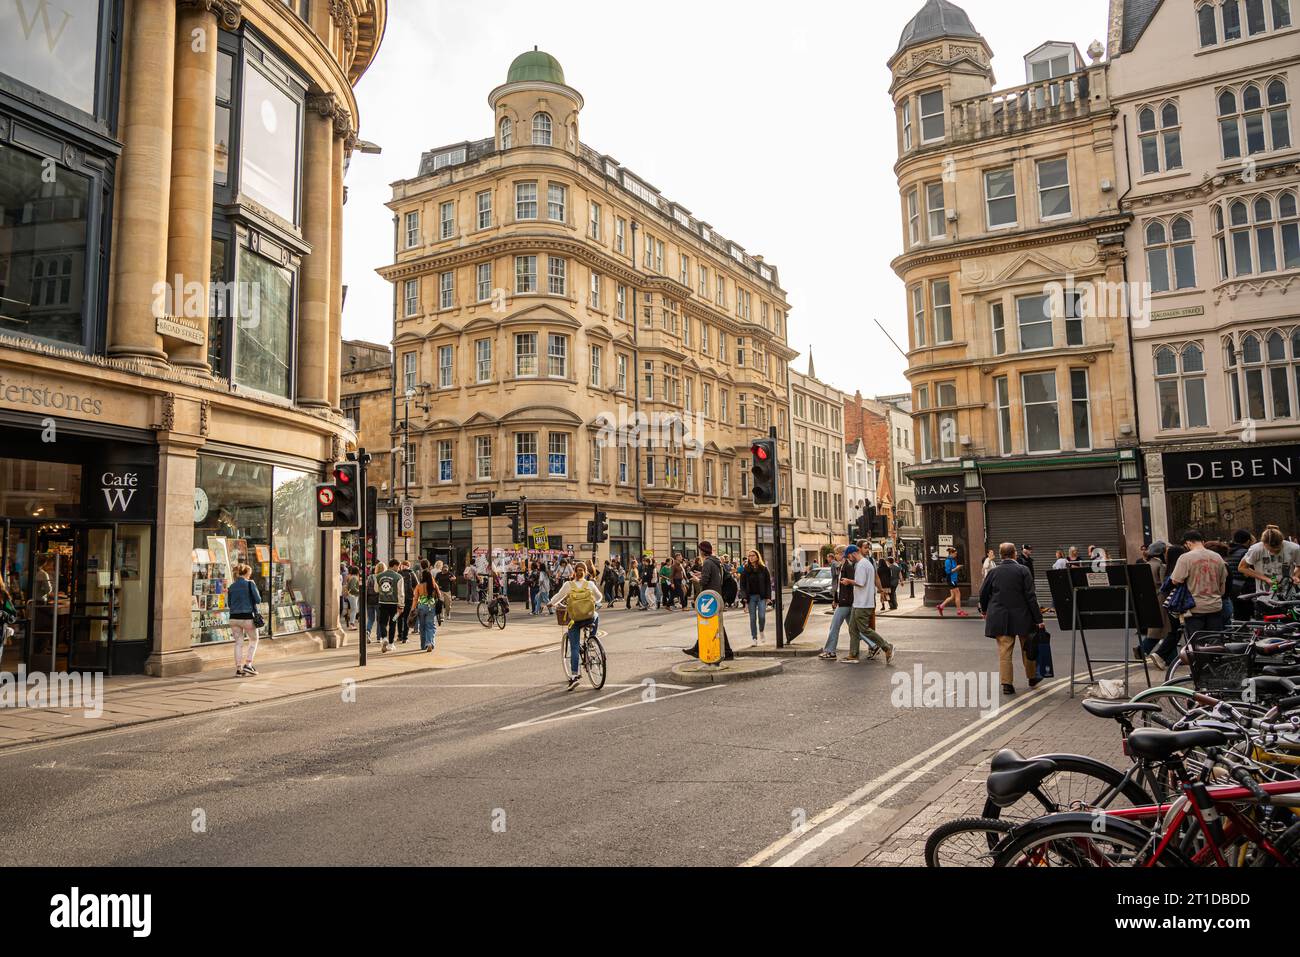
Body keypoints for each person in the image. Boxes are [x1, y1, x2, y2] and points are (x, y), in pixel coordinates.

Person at [978, 543, 1044, 696]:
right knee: (1028, 648)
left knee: (1004, 651)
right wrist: (1038, 618)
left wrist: (985, 610)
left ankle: (1007, 684)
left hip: (1000, 617)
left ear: (1001, 555)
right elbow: (1030, 596)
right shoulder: (1023, 570)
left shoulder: (993, 573)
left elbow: (983, 593)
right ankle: (1032, 677)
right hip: (1023, 617)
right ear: (1014, 554)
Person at [548, 564, 602, 690]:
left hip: (576, 620)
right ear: (585, 572)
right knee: (596, 615)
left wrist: (551, 603)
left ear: (574, 573)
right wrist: (595, 603)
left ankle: (574, 676)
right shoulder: (590, 584)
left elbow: (558, 597)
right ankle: (592, 640)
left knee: (574, 647)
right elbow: (599, 597)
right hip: (589, 617)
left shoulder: (568, 585)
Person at [1170, 529, 1228, 644]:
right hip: (1215, 605)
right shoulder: (1217, 557)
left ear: (1188, 543)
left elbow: (1175, 580)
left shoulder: (1185, 558)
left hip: (1195, 607)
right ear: (1202, 541)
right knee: (1215, 643)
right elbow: (1223, 582)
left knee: (1197, 644)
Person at [682, 541, 735, 660]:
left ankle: (724, 651)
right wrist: (701, 573)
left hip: (709, 597)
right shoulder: (715, 561)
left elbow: (704, 582)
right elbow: (713, 576)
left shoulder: (706, 562)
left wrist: (696, 579)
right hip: (716, 595)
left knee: (709, 623)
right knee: (715, 624)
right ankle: (725, 651)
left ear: (702, 551)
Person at [844, 546, 892, 664]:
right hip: (860, 602)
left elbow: (860, 583)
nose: (849, 559)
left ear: (853, 554)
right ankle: (853, 654)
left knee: (864, 629)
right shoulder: (867, 563)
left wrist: (848, 581)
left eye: (848, 556)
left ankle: (886, 647)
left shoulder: (861, 565)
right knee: (853, 628)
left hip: (863, 603)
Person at [1239, 525, 1300, 593]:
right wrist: (1266, 579)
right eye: (1271, 550)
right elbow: (1242, 567)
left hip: (1289, 594)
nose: (1274, 553)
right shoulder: (1256, 549)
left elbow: (1299, 565)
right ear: (1264, 543)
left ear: (1282, 541)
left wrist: (1295, 576)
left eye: (1277, 550)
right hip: (1264, 596)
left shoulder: (1295, 548)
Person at [227, 564, 263, 677]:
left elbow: (229, 604)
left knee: (238, 643)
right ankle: (248, 664)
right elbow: (258, 600)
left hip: (233, 618)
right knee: (254, 639)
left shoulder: (231, 586)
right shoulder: (250, 584)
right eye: (250, 573)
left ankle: (239, 669)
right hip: (247, 617)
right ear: (247, 573)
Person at [819, 545, 852, 660]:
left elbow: (850, 585)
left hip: (845, 602)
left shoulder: (847, 566)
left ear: (842, 554)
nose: (835, 556)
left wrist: (840, 600)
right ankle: (874, 645)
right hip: (844, 601)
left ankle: (830, 651)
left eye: (837, 553)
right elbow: (839, 586)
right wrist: (835, 599)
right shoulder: (842, 566)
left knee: (834, 626)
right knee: (855, 628)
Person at [1138, 542, 1170, 659]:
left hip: (1149, 597)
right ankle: (1168, 657)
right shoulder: (1161, 565)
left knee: (1156, 628)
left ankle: (1142, 650)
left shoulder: (1147, 564)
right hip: (1161, 598)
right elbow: (1164, 584)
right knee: (1167, 628)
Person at [739, 550, 771, 646]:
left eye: (753, 555)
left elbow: (768, 584)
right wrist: (744, 598)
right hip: (751, 597)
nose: (751, 557)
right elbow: (742, 585)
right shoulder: (746, 570)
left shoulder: (763, 569)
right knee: (752, 618)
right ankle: (754, 638)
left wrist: (768, 597)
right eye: (749, 556)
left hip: (761, 596)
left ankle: (761, 631)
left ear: (757, 557)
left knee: (762, 616)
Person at [375, 559, 404, 653]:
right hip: (394, 605)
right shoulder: (399, 577)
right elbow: (401, 593)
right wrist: (401, 605)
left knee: (382, 622)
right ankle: (391, 644)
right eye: (398, 566)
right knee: (393, 622)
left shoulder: (378, 576)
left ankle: (384, 638)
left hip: (383, 603)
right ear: (394, 565)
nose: (399, 568)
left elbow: (376, 589)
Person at [1225, 529, 1253, 621]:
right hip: (1245, 588)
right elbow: (1251, 571)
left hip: (1233, 587)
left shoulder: (1230, 552)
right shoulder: (1246, 553)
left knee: (1238, 615)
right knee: (1245, 615)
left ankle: (1240, 633)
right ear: (1248, 541)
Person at [413, 565, 440, 653]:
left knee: (422, 626)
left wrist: (413, 609)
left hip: (421, 607)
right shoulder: (434, 585)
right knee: (431, 626)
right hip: (431, 606)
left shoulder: (419, 586)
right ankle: (429, 643)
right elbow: (439, 595)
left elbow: (415, 599)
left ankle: (423, 645)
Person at [936, 547, 967, 617]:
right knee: (958, 594)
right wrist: (957, 568)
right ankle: (959, 611)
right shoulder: (948, 561)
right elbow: (948, 571)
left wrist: (957, 568)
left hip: (953, 579)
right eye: (955, 553)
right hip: (951, 580)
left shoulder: (952, 560)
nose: (956, 555)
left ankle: (941, 606)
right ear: (951, 553)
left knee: (952, 596)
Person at [396, 560, 418, 645]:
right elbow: (417, 585)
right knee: (407, 618)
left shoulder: (398, 574)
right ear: (408, 566)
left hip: (400, 599)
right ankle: (405, 637)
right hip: (409, 599)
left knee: (399, 617)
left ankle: (399, 635)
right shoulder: (412, 574)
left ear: (402, 566)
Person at [344, 565, 361, 629]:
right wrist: (359, 591)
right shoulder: (354, 578)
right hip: (353, 595)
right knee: (354, 610)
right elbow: (353, 588)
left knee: (354, 609)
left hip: (351, 595)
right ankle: (352, 624)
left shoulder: (352, 577)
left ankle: (351, 622)